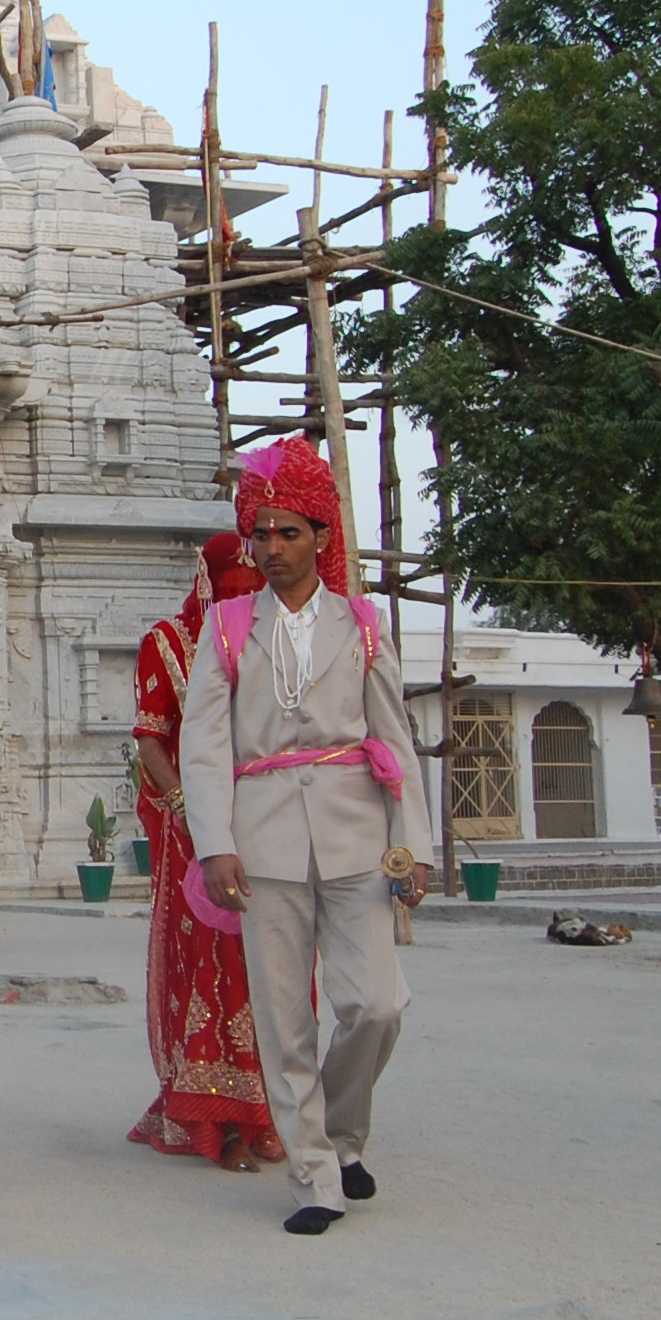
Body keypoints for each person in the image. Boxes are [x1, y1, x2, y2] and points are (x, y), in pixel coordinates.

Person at [183, 439, 431, 1235]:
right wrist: (214, 841)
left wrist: (414, 846)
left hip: (358, 832)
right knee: (287, 1020)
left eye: (289, 532)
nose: (273, 548)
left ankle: (343, 1135)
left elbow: (395, 738)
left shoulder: (361, 626)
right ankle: (317, 1177)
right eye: (262, 534)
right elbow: (204, 746)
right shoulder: (224, 627)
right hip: (263, 846)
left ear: (321, 536)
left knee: (376, 1004)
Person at [127, 532, 288, 1174]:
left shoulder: (275, 644)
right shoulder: (166, 645)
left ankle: (266, 1115)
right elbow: (150, 741)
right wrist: (190, 812)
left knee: (275, 967)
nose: (246, 598)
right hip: (195, 836)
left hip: (271, 826)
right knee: (210, 966)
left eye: (255, 588)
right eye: (235, 586)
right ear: (207, 583)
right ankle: (209, 1119)